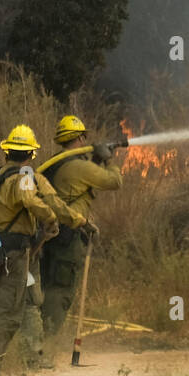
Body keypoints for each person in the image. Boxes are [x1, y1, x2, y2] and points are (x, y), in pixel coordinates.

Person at [0, 124, 85, 376]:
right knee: (9, 311)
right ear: (30, 155)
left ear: (7, 152)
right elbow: (29, 199)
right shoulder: (25, 175)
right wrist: (50, 218)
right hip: (13, 254)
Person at [37, 115, 123, 338]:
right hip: (68, 236)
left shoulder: (58, 163)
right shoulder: (79, 166)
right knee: (61, 291)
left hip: (49, 234)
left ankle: (37, 340)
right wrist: (108, 160)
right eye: (84, 137)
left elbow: (77, 186)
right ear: (81, 137)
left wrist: (95, 160)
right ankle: (45, 345)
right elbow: (115, 182)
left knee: (49, 286)